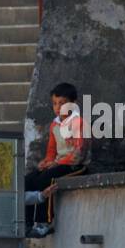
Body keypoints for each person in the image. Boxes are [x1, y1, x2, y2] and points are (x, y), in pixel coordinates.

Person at [24, 82, 86, 235]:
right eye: (55, 103)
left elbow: (78, 154)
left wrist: (56, 163)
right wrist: (45, 162)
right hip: (58, 163)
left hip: (75, 165)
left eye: (63, 103)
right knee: (28, 180)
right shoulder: (54, 125)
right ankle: (27, 222)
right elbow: (52, 150)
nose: (58, 107)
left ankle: (44, 221)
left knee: (47, 179)